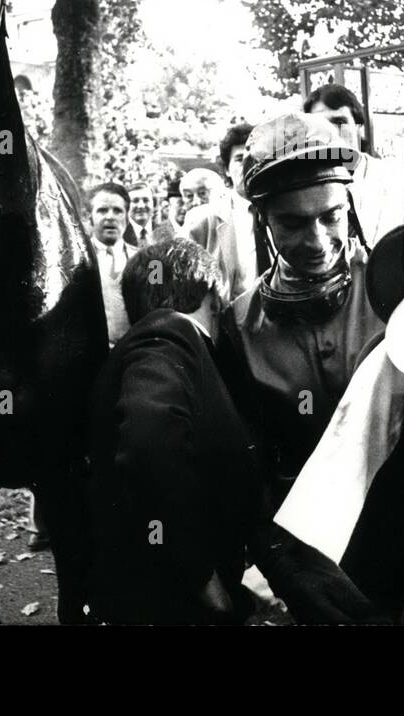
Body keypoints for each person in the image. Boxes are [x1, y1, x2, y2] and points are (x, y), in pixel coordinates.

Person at [215, 113, 388, 623]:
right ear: (261, 220)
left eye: (331, 216)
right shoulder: (237, 327)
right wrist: (271, 563)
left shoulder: (397, 290)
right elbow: (249, 471)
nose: (316, 240)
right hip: (311, 566)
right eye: (292, 223)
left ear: (350, 206)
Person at [87, 239, 259, 624]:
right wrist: (201, 575)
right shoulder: (166, 339)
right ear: (214, 297)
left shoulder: (147, 343)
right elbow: (149, 446)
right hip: (172, 597)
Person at [304, 84, 404, 244]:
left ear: (358, 126)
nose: (330, 131)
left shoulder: (401, 180)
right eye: (319, 125)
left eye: (339, 121)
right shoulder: (300, 190)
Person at [184, 124, 259, 301]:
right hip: (224, 322)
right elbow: (179, 280)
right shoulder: (202, 220)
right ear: (226, 169)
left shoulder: (284, 212)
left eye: (256, 158)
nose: (249, 165)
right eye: (240, 159)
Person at [86, 182, 137, 347]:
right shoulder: (76, 260)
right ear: (90, 217)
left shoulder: (149, 261)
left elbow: (156, 303)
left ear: (127, 218)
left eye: (117, 210)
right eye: (102, 210)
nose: (110, 216)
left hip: (133, 355)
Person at [123, 181, 172, 248]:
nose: (141, 206)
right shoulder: (120, 234)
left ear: (153, 204)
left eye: (146, 200)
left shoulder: (166, 233)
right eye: (135, 201)